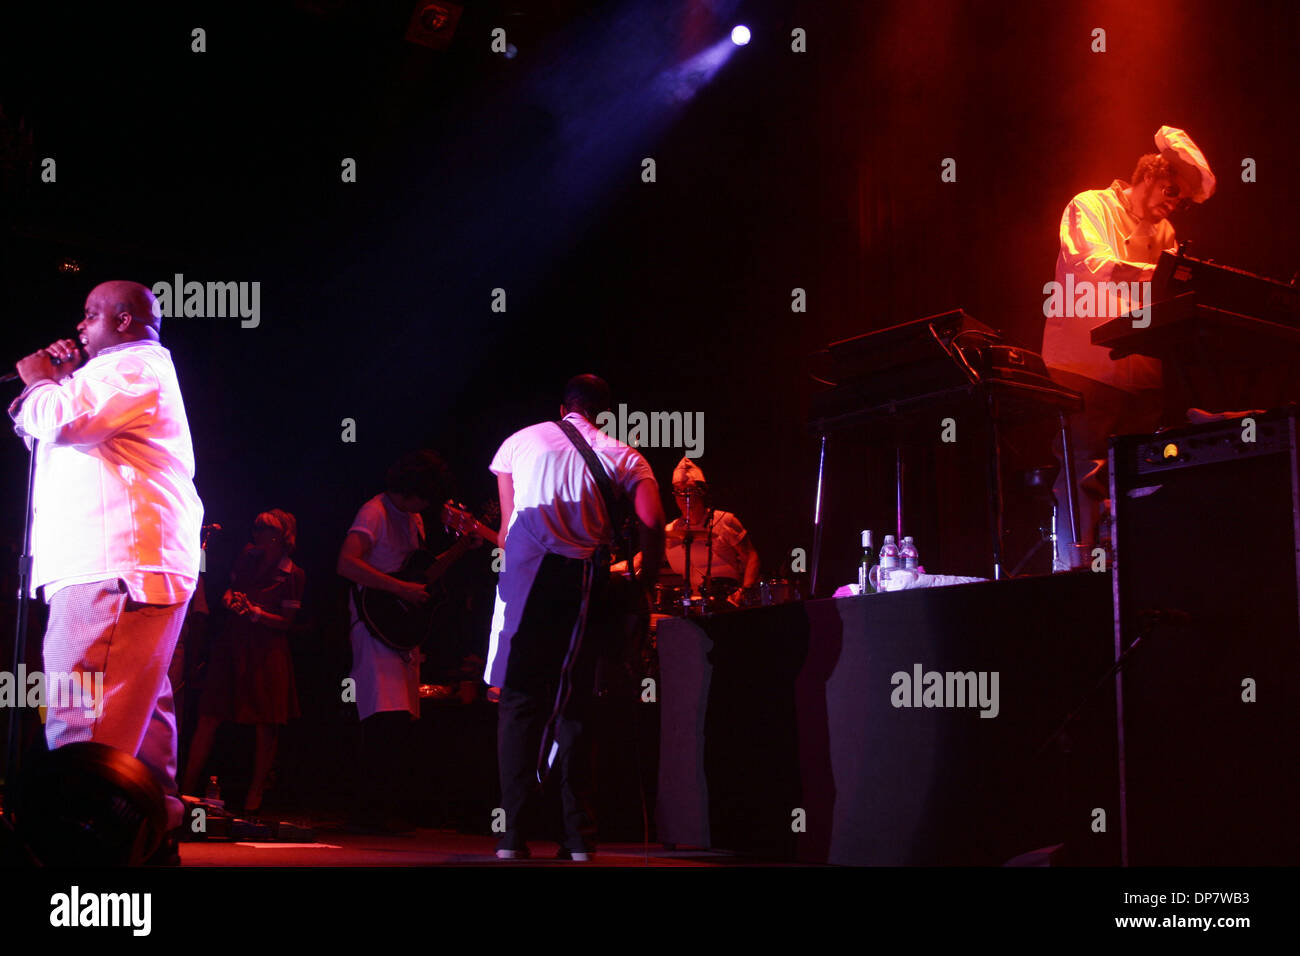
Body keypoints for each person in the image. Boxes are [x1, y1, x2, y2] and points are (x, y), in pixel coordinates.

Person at [8, 279, 203, 860]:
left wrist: (43, 381)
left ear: (122, 321)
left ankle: (82, 852)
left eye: (91, 315)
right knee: (141, 714)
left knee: (82, 709)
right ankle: (149, 835)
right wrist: (51, 386)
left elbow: (67, 424)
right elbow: (52, 436)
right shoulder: (105, 377)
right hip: (123, 562)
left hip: (111, 562)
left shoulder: (134, 366)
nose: (79, 326)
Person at [486, 374, 665, 860]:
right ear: (602, 412)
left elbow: (506, 529)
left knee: (519, 704)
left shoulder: (517, 442)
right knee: (575, 703)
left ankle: (511, 836)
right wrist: (644, 581)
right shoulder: (624, 455)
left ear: (562, 405)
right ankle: (578, 837)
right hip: (583, 582)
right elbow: (652, 523)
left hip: (524, 586)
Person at [1041, 125, 1215, 569]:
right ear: (1151, 173)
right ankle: (1074, 574)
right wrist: (1164, 276)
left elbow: (1164, 299)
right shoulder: (1090, 205)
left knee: (1136, 474)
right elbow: (1091, 265)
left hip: (1141, 375)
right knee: (1083, 474)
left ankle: (1129, 574)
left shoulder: (1166, 232)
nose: (1174, 203)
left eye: (1181, 201)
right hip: (1084, 367)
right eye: (1172, 190)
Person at [337, 450, 472, 830]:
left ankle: (385, 809)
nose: (426, 505)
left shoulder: (413, 518)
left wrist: (462, 548)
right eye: (424, 496)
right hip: (372, 622)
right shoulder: (374, 512)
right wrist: (401, 589)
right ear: (412, 489)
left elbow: (421, 575)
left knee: (399, 722)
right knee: (381, 716)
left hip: (401, 628)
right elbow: (347, 564)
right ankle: (365, 812)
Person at [182, 510, 303, 816]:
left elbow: (288, 622)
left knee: (266, 722)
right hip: (232, 644)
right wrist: (228, 598)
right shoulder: (247, 557)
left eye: (265, 529)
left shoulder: (292, 574)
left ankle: (255, 796)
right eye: (257, 526)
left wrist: (256, 613)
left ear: (279, 536)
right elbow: (229, 588)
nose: (257, 533)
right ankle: (184, 788)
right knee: (210, 713)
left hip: (266, 651)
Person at [662, 456, 760, 605]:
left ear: (701, 492)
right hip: (694, 601)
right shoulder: (671, 530)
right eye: (679, 491)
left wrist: (744, 591)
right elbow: (642, 558)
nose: (684, 497)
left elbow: (752, 556)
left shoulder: (725, 521)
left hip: (728, 599)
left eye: (689, 490)